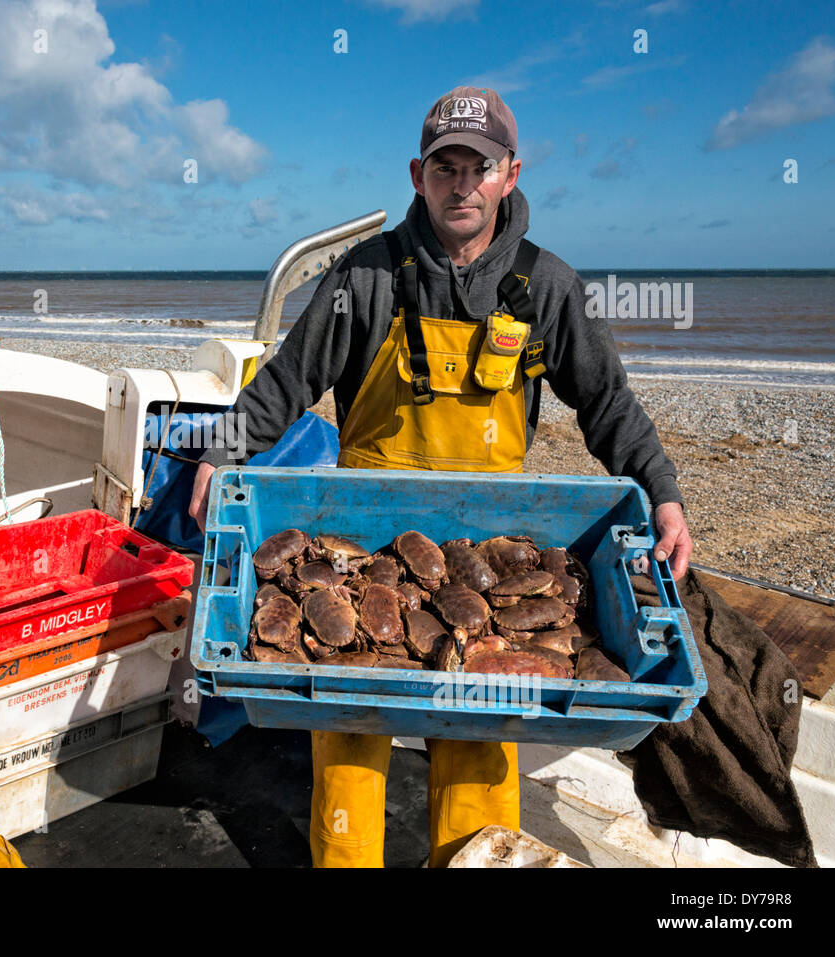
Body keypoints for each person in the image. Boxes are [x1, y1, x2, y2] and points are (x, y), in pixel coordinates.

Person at [187, 85, 693, 868]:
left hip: (491, 556)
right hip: (360, 545)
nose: (462, 185)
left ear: (510, 175)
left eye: (479, 168)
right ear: (418, 174)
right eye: (446, 167)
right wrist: (221, 453)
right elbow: (285, 383)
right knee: (348, 756)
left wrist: (661, 491)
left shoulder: (543, 286)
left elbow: (607, 403)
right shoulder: (366, 278)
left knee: (481, 759)